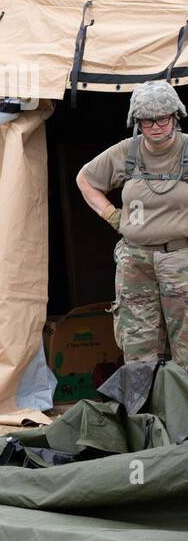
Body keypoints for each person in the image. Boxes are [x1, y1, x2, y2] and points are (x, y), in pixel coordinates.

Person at [76, 79, 188, 366]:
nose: (156, 127)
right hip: (135, 260)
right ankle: (145, 409)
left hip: (181, 258)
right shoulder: (127, 152)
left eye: (162, 118)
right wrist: (112, 215)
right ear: (136, 121)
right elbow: (86, 179)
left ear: (175, 116)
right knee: (138, 344)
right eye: (147, 121)